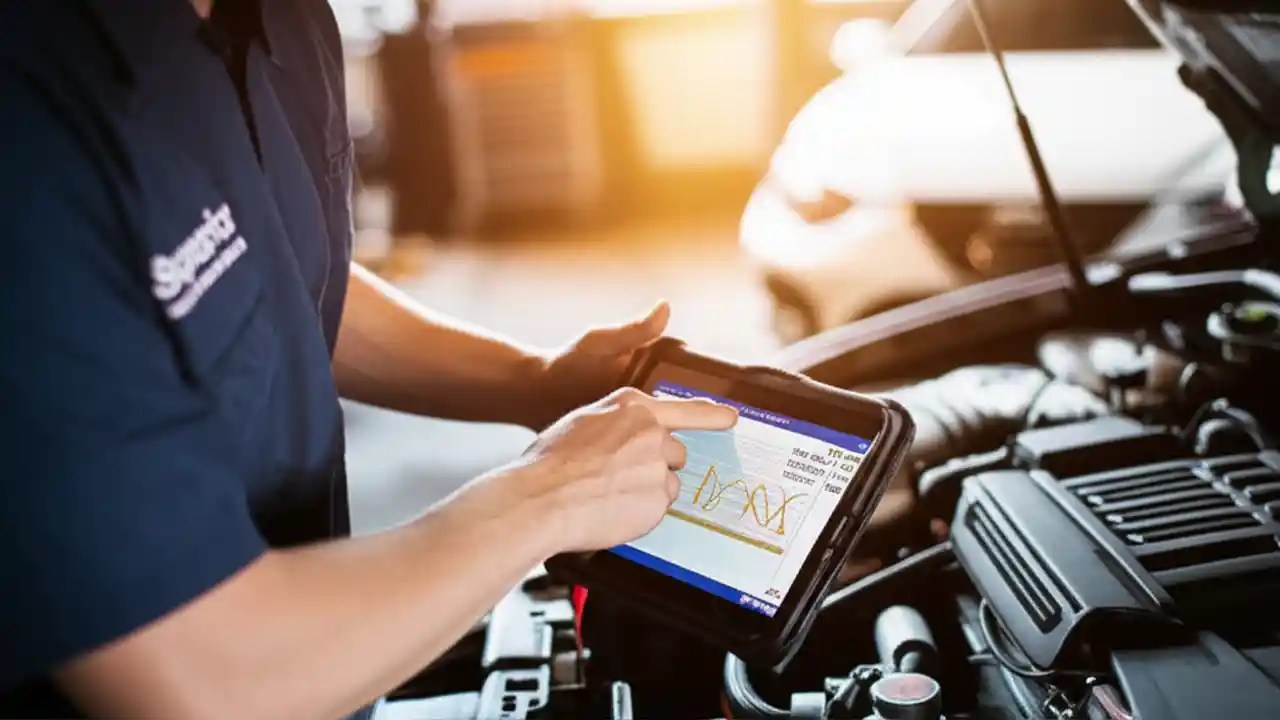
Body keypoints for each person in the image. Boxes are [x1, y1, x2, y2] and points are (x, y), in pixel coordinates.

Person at [0, 1, 738, 717]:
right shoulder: (33, 118)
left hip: (336, 669)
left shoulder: (286, 22)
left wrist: (532, 382)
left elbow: (277, 272)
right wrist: (549, 495)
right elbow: (203, 675)